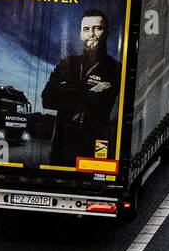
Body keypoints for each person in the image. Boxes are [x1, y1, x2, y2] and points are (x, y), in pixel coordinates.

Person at [41, 9, 120, 166]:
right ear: (80, 34)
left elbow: (106, 106)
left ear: (106, 32)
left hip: (96, 147)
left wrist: (67, 91)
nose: (91, 34)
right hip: (61, 149)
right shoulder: (66, 64)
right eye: (86, 29)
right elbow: (47, 100)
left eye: (97, 28)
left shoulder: (116, 69)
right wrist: (88, 90)